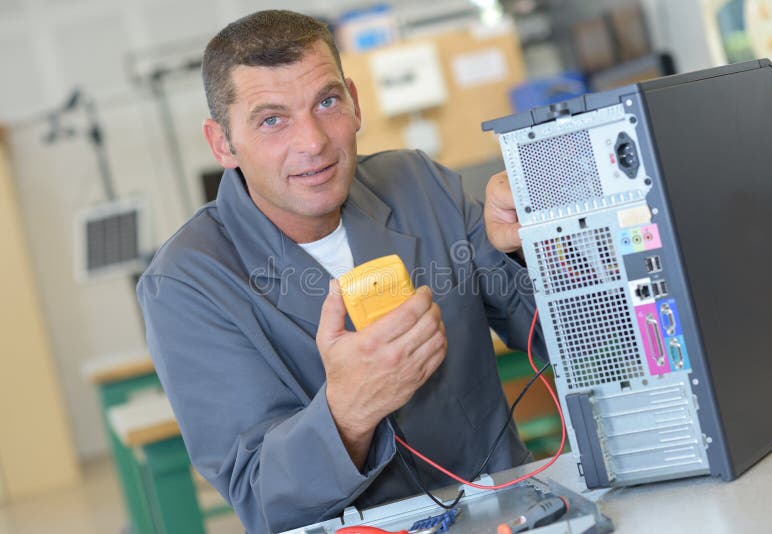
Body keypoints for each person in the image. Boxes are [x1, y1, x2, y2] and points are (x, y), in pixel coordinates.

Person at [137, 9, 546, 534]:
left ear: (354, 101)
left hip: (511, 513)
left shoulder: (420, 184)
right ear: (222, 144)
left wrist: (534, 249)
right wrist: (346, 413)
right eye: (271, 120)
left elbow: (566, 338)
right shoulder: (186, 283)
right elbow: (260, 498)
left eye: (326, 102)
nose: (312, 141)